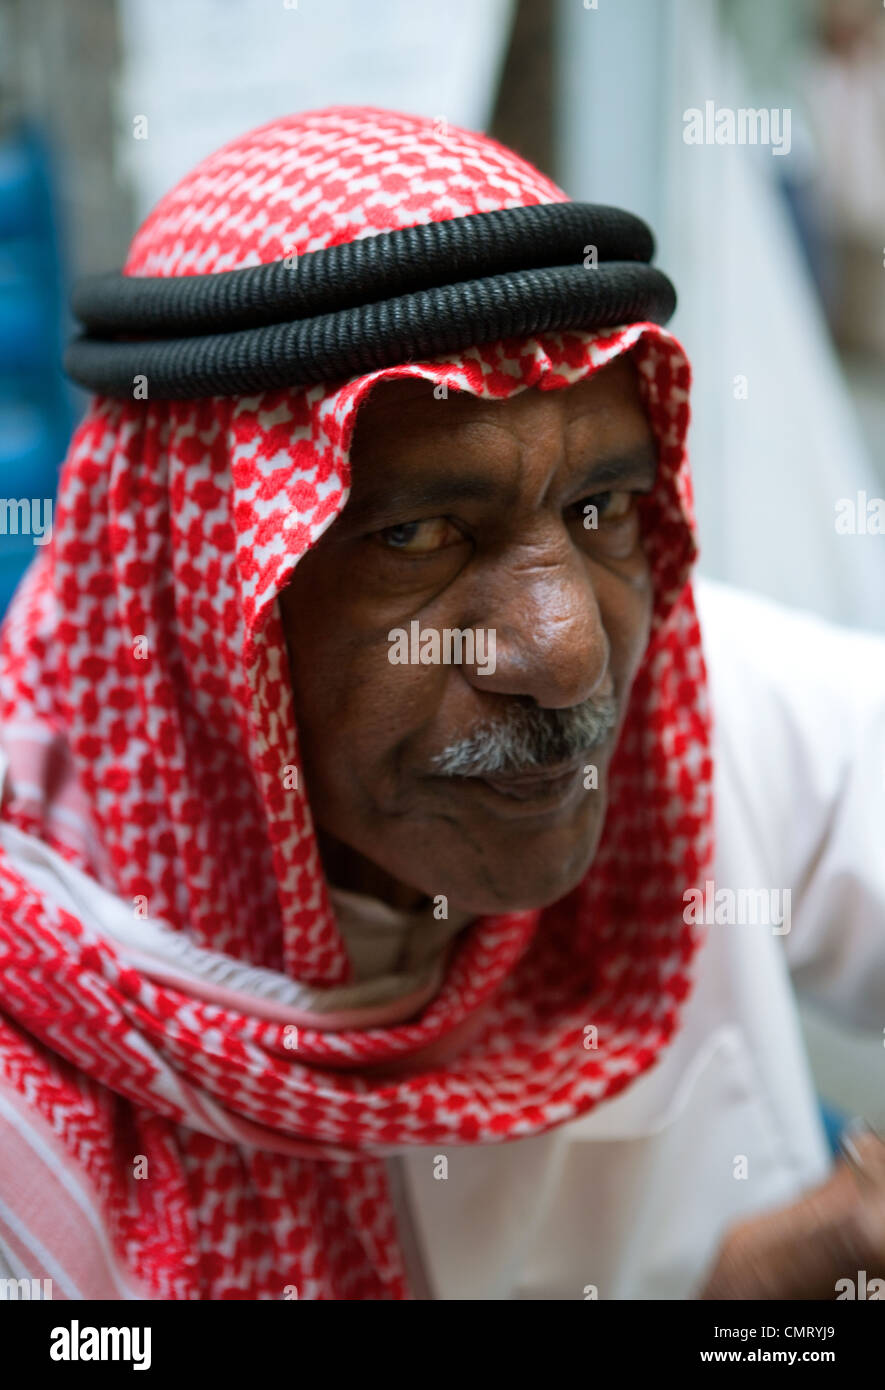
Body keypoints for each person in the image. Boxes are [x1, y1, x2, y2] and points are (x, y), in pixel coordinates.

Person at [0, 106, 882, 1301]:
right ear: (205, 597)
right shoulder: (34, 1065)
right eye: (418, 535)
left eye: (602, 509)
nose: (568, 657)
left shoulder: (698, 711)